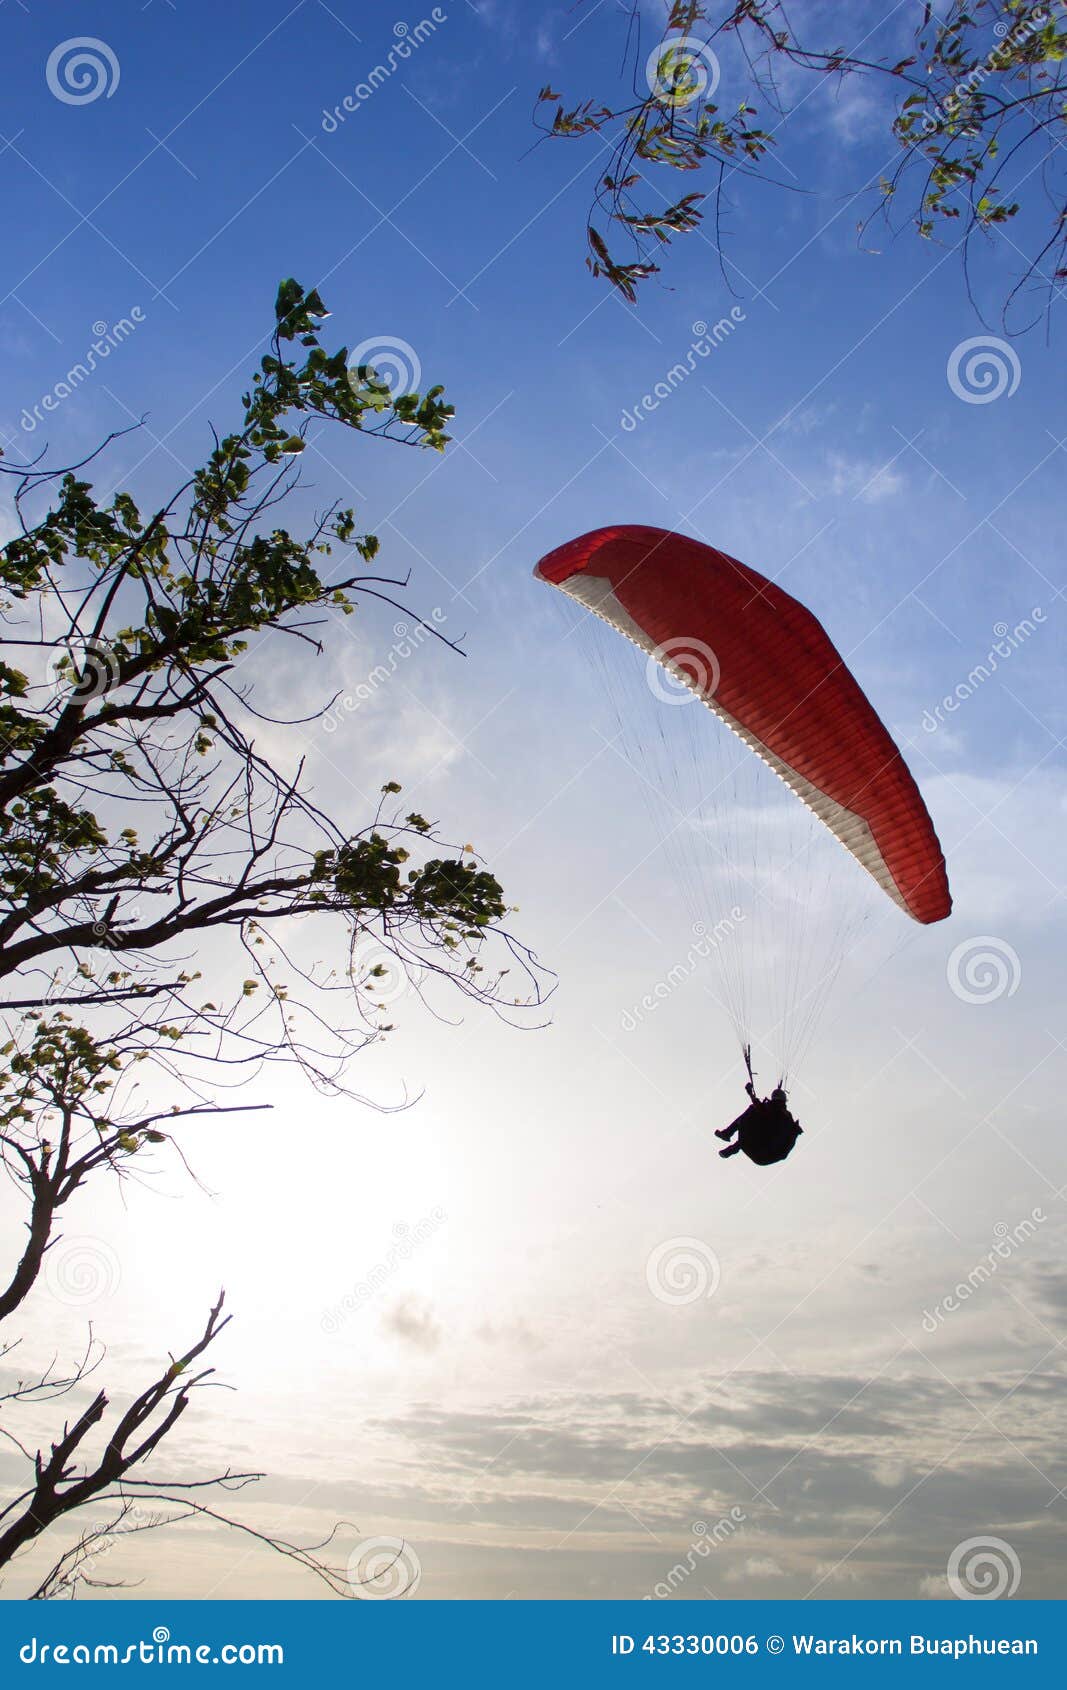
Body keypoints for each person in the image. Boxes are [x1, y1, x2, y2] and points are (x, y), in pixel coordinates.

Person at [716, 1081, 803, 1166]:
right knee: (754, 1126)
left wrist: (750, 1094)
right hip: (766, 1155)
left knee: (752, 1111)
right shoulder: (787, 1117)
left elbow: (761, 1109)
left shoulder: (776, 1111)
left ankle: (728, 1134)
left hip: (761, 1147)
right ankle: (730, 1143)